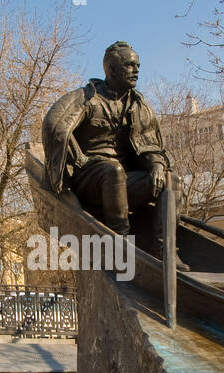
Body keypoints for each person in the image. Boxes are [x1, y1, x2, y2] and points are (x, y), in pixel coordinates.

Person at [41, 41, 185, 267]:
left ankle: (164, 249)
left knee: (171, 180)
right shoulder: (88, 98)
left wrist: (157, 164)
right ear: (111, 69)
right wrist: (79, 159)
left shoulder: (137, 105)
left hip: (125, 180)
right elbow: (55, 126)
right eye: (129, 65)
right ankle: (122, 246)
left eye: (137, 65)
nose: (136, 70)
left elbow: (150, 144)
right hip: (91, 180)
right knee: (114, 171)